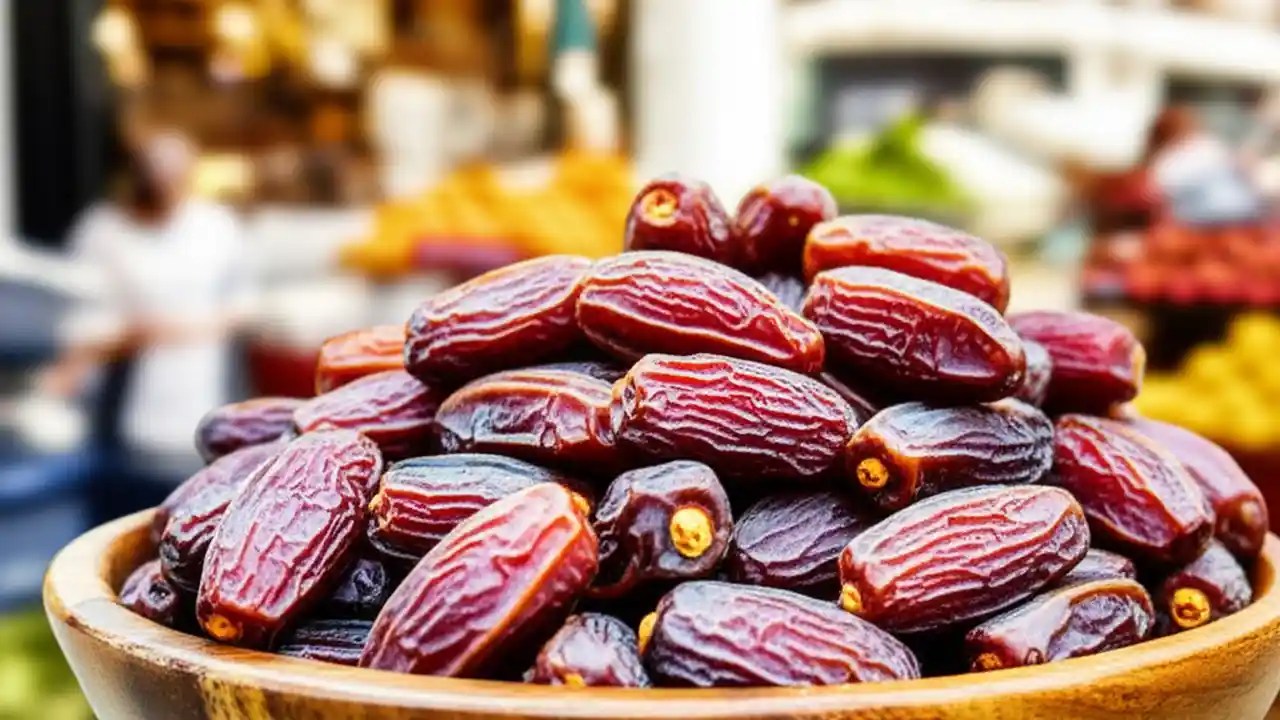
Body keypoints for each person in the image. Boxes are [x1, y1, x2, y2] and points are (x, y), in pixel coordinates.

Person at [42, 127, 252, 520]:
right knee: (120, 523)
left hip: (201, 401)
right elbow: (78, 325)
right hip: (124, 418)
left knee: (196, 518)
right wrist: (131, 335)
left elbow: (242, 307)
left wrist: (176, 329)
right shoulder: (101, 231)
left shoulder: (216, 227)